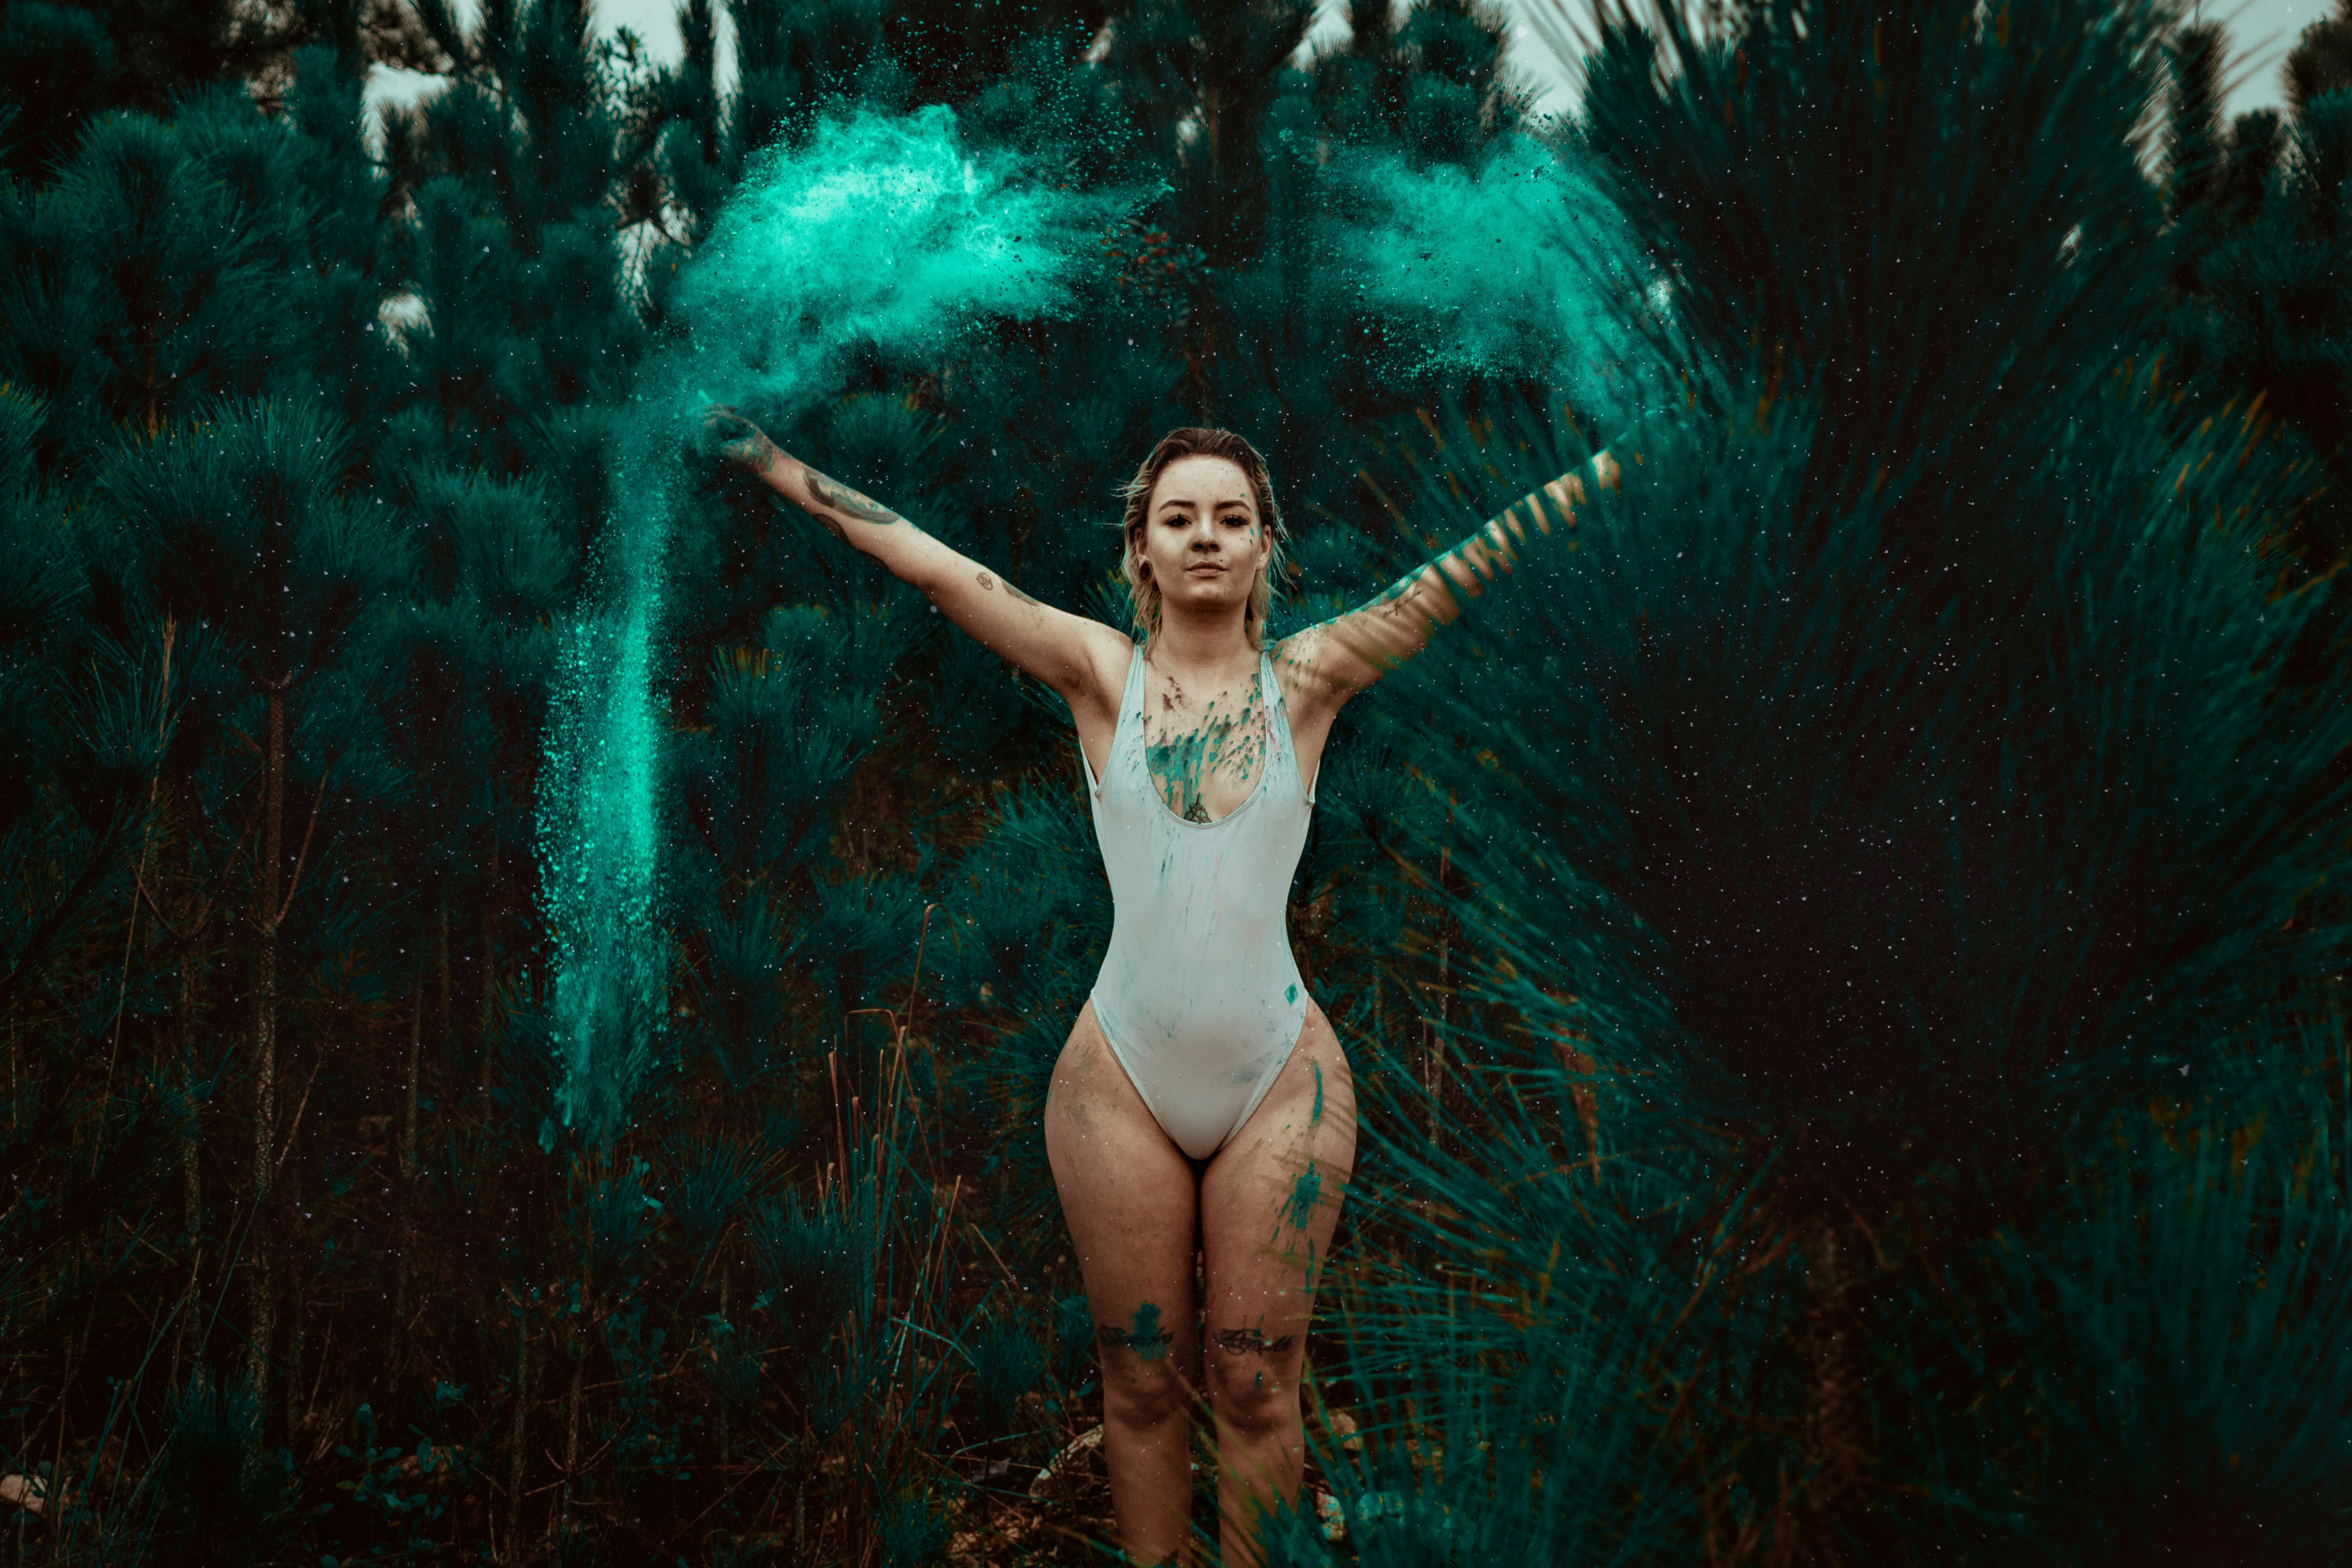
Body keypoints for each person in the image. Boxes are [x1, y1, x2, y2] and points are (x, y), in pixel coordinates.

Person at [702, 408, 1615, 1566]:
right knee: (1137, 1389)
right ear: (1141, 548)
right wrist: (772, 463)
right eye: (1178, 518)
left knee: (1254, 1383)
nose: (1205, 538)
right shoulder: (1101, 675)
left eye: (1232, 520)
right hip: (1117, 1081)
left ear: (1265, 549)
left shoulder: (1310, 681)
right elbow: (938, 566)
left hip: (1279, 1080)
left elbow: (1460, 572)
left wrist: (1616, 465)